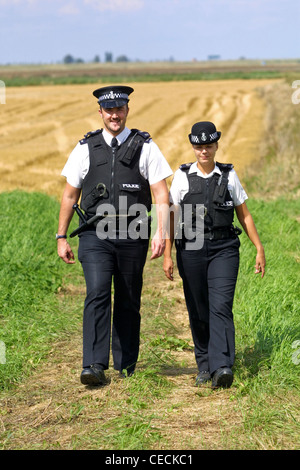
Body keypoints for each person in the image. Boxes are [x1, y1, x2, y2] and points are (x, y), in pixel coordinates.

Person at [57, 85, 172, 386]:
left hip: (133, 233)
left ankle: (126, 364)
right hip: (95, 233)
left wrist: (161, 231)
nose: (114, 115)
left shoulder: (146, 146)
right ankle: (93, 365)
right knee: (97, 292)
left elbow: (161, 194)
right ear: (100, 113)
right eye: (109, 110)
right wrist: (61, 236)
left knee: (128, 296)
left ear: (127, 110)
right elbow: (70, 195)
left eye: (119, 109)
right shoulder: (85, 148)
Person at [163, 121, 265, 389]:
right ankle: (204, 365)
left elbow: (244, 214)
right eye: (199, 147)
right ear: (193, 147)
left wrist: (259, 247)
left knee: (220, 306)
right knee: (199, 308)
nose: (204, 151)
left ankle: (222, 366)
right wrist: (167, 254)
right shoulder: (182, 176)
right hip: (191, 248)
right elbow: (171, 216)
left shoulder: (229, 175)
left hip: (224, 248)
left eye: (208, 146)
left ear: (216, 146)